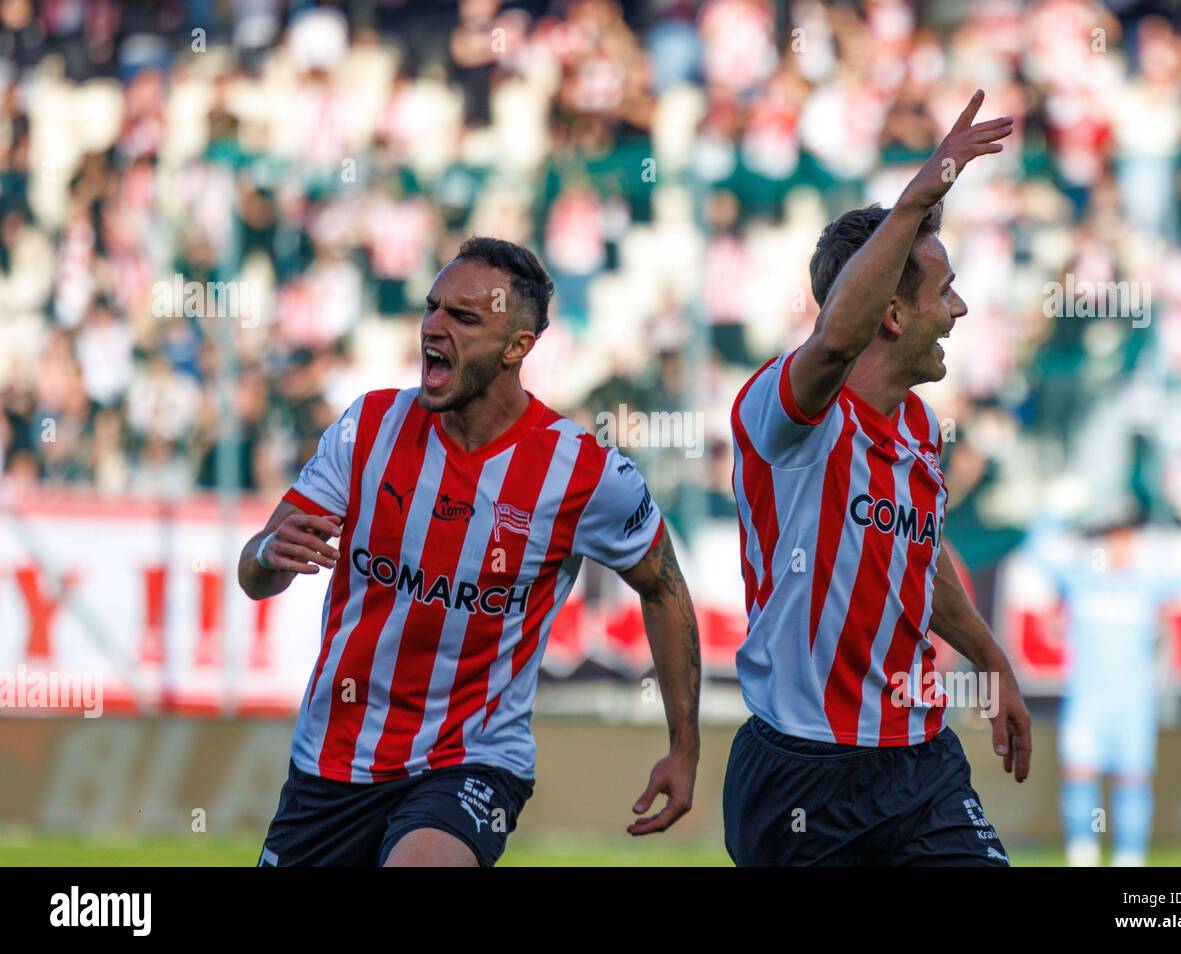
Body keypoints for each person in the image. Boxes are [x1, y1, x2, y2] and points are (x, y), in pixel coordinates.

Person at [240, 237, 701, 867]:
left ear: (518, 347)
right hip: (334, 756)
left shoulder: (582, 475)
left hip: (472, 758)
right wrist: (267, 553)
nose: (434, 327)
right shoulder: (368, 428)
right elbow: (254, 577)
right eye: (432, 308)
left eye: (463, 317)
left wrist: (685, 745)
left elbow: (663, 587)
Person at [723, 91, 1032, 866]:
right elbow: (833, 340)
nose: (959, 309)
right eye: (942, 289)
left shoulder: (922, 428)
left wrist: (992, 658)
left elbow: (916, 564)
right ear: (890, 314)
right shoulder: (789, 412)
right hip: (801, 773)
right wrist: (921, 194)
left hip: (916, 760)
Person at [1027, 499, 1181, 867]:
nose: (1121, 546)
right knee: (1080, 775)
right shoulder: (1081, 582)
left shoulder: (1147, 585)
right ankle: (1082, 853)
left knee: (1133, 780)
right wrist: (1052, 511)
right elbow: (1038, 552)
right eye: (1113, 538)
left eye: (1128, 538)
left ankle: (1130, 857)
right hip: (1087, 702)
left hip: (1133, 705)